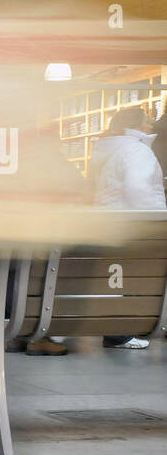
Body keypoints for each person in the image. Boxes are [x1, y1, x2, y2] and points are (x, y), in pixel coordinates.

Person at [89, 106, 164, 349]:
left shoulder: (110, 149)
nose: (151, 123)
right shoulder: (137, 150)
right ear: (137, 126)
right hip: (133, 226)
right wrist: (160, 220)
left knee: (119, 281)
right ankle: (121, 333)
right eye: (147, 120)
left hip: (109, 224)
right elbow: (138, 191)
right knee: (132, 279)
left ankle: (118, 332)